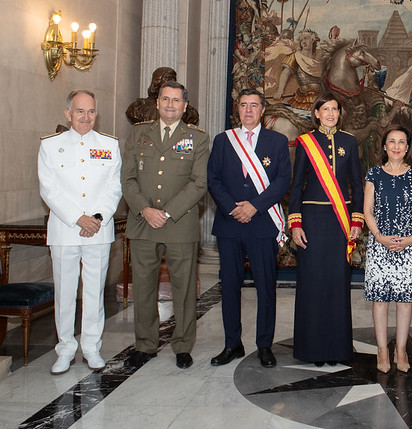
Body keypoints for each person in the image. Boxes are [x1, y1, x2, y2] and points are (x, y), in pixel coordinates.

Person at [121, 80, 210, 369]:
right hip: (143, 222)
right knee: (144, 287)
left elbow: (199, 183)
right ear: (157, 103)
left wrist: (168, 212)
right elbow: (127, 178)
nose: (170, 105)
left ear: (185, 106)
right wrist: (145, 209)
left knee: (183, 288)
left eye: (176, 101)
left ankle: (183, 345)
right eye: (165, 99)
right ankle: (145, 344)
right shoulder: (137, 133)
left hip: (180, 224)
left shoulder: (198, 138)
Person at [38, 90, 122, 374]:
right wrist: (78, 218)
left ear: (96, 113)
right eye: (79, 111)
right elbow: (48, 188)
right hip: (65, 229)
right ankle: (65, 350)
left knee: (94, 292)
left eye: (91, 112)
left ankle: (91, 348)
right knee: (64, 292)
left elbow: (114, 186)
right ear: (68, 113)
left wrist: (96, 217)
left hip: (98, 229)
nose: (86, 117)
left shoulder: (110, 145)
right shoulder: (51, 146)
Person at [207, 88, 291, 367]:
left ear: (263, 109)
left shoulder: (277, 141)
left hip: (262, 223)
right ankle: (232, 344)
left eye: (254, 105)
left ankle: (264, 345)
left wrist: (254, 206)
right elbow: (213, 180)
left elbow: (282, 181)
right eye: (243, 105)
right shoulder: (223, 141)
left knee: (266, 286)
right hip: (230, 224)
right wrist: (234, 208)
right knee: (230, 286)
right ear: (237, 109)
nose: (248, 110)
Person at [288, 93, 364, 365]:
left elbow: (357, 182)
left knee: (336, 283)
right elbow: (296, 185)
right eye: (326, 109)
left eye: (335, 109)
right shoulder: (306, 142)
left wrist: (357, 220)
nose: (331, 113)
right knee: (312, 282)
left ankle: (335, 349)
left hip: (340, 220)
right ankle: (312, 350)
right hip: (312, 219)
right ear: (316, 113)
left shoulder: (349, 141)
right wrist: (295, 223)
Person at [363, 125, 412, 373]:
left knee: (404, 300)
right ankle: (382, 351)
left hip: (409, 245)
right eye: (392, 142)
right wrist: (379, 236)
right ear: (384, 146)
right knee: (380, 300)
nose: (397, 146)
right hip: (381, 245)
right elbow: (368, 210)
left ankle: (400, 350)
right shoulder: (374, 174)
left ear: (408, 147)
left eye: (402, 142)